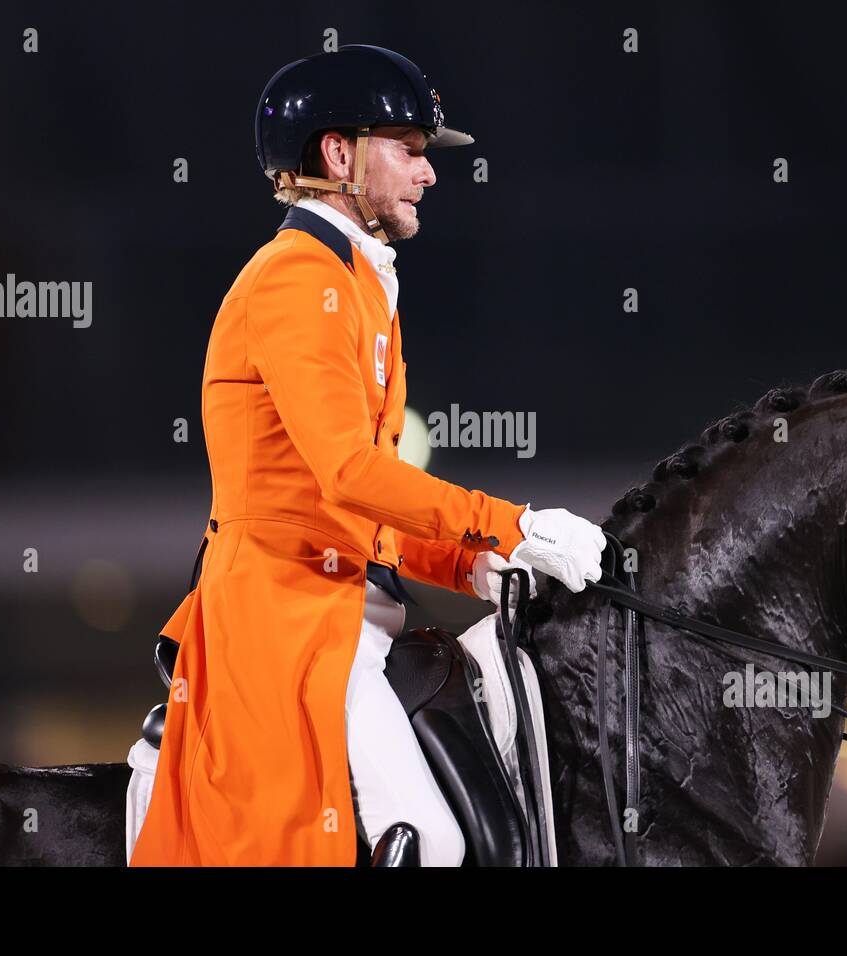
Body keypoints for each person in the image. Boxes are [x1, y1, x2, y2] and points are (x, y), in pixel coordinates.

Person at [129, 44, 605, 867]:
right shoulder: (295, 278)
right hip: (284, 616)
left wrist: (472, 568)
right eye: (410, 152)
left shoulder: (357, 283)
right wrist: (510, 525)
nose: (428, 175)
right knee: (438, 841)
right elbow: (349, 471)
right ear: (338, 155)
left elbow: (362, 504)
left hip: (348, 613)